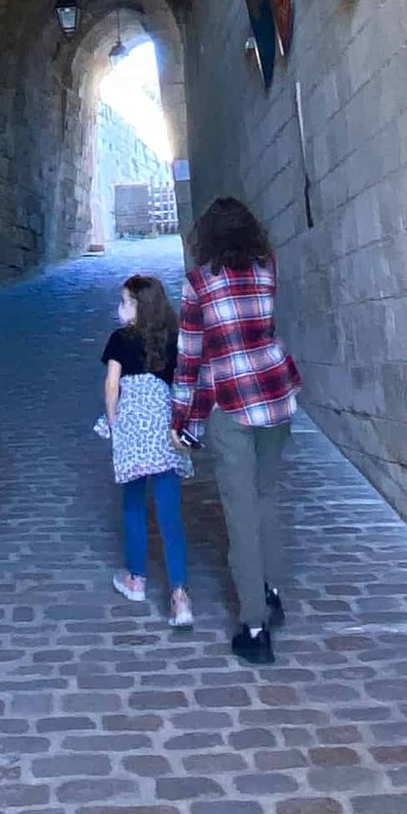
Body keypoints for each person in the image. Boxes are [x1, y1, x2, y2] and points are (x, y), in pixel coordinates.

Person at [172, 194, 300, 666]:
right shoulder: (268, 266)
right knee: (266, 497)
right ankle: (270, 591)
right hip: (276, 393)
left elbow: (191, 361)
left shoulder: (198, 285)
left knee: (240, 511)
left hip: (232, 404)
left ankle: (254, 626)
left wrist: (182, 422)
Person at [102, 270, 194, 629]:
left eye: (124, 301)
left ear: (138, 307)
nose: (120, 308)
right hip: (164, 433)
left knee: (133, 505)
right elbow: (182, 386)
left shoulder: (119, 340)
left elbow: (112, 386)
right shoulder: (173, 339)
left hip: (133, 432)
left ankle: (136, 579)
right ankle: (180, 596)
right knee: (170, 517)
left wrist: (114, 424)